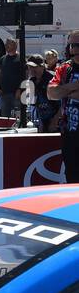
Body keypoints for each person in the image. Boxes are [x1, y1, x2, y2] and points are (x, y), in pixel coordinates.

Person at [47, 30, 79, 181]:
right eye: (71, 45)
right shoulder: (64, 69)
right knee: (72, 179)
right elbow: (51, 93)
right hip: (70, 134)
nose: (73, 49)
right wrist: (74, 87)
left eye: (77, 45)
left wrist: (64, 91)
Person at [28, 55, 58, 131]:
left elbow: (62, 104)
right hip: (41, 120)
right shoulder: (32, 81)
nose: (31, 69)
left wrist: (55, 121)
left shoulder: (52, 78)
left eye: (34, 67)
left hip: (56, 119)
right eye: (30, 67)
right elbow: (33, 103)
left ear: (42, 66)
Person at [0, 38, 24, 120]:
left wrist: (20, 89)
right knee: (4, 118)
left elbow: (25, 75)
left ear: (15, 45)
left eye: (8, 43)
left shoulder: (21, 58)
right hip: (4, 94)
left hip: (16, 94)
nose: (6, 45)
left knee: (18, 117)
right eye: (6, 44)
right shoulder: (2, 59)